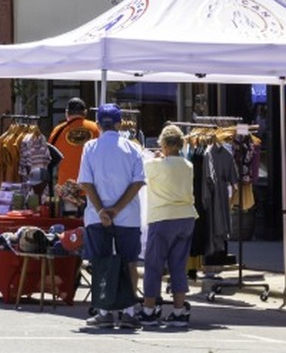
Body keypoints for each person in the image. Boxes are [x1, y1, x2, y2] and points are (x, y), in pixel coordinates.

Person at [79, 103, 146, 329]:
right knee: (130, 262)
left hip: (97, 217)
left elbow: (86, 182)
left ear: (98, 124)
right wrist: (116, 209)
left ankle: (105, 311)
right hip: (127, 216)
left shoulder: (90, 147)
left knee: (101, 263)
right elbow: (138, 182)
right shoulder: (133, 148)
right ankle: (128, 312)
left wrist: (101, 210)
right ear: (119, 124)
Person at [135, 125, 199, 325]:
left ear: (163, 144)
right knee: (178, 266)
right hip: (186, 217)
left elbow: (144, 169)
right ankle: (179, 311)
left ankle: (149, 309)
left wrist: (155, 157)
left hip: (163, 218)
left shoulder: (155, 165)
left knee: (153, 265)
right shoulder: (188, 165)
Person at [48, 97, 101, 186]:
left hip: (66, 187)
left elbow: (48, 155)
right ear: (85, 112)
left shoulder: (58, 130)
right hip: (91, 187)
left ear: (67, 113)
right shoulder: (96, 128)